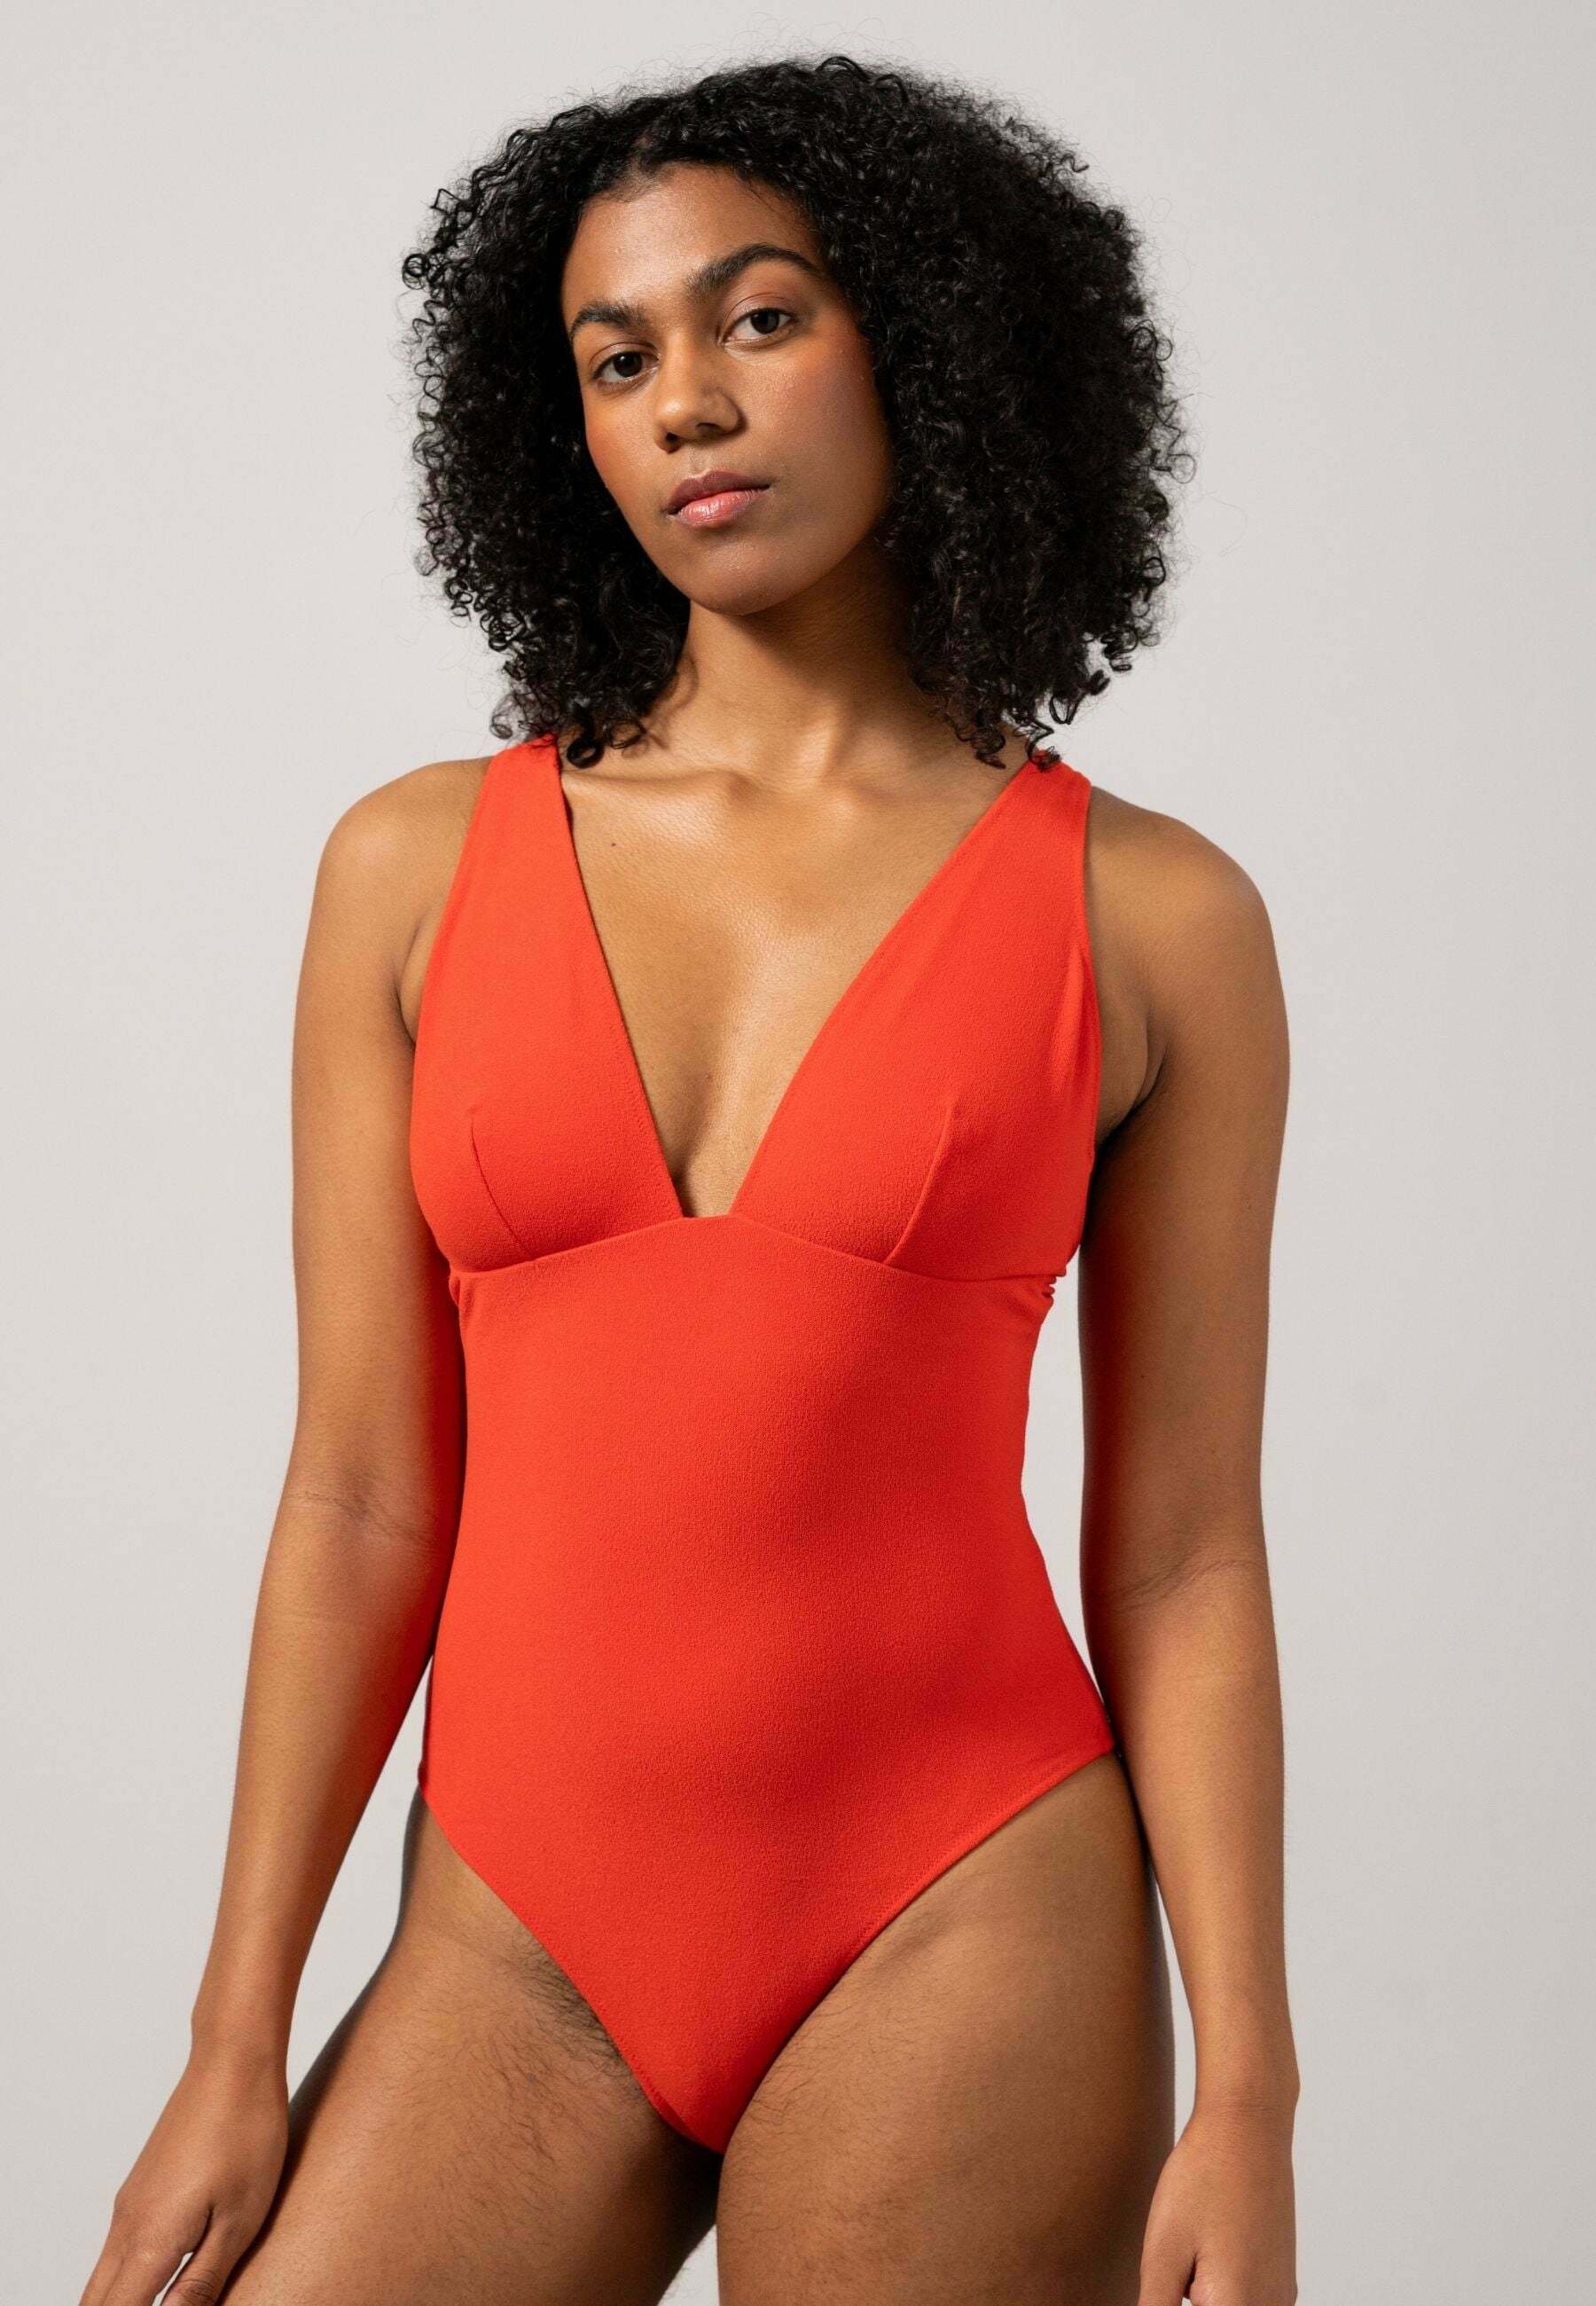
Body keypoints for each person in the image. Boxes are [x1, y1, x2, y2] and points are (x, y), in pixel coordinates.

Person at [82, 52, 1297, 2306]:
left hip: (966, 1902)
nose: (689, 407)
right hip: (514, 1926)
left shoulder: (1153, 918)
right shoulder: (412, 871)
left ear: (922, 342)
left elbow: (1186, 1554)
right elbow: (359, 1496)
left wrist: (1253, 2091)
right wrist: (232, 2041)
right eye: (616, 358)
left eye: (759, 318)